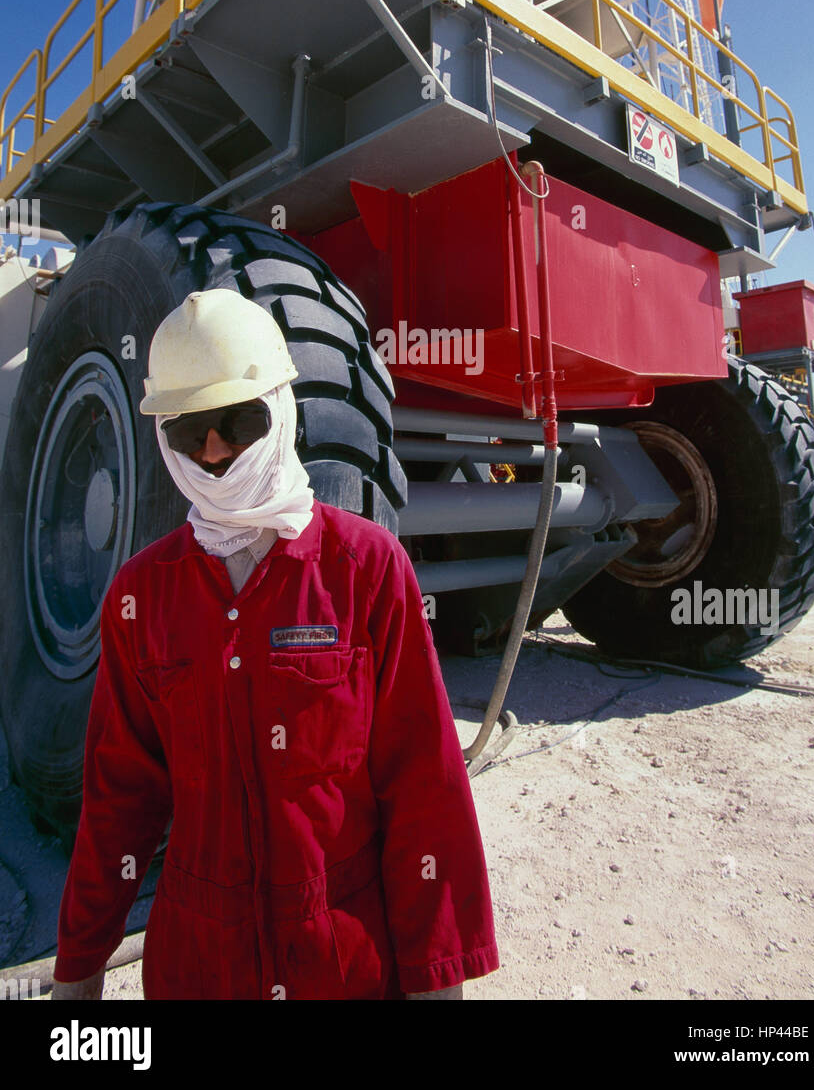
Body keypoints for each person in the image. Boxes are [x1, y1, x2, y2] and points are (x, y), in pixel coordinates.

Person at [52, 289, 498, 1000]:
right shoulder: (141, 598)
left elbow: (423, 786)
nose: (215, 450)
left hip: (340, 966)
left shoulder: (366, 569)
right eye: (188, 430)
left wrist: (436, 978)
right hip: (198, 969)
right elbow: (119, 800)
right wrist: (78, 969)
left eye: (236, 421)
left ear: (281, 410)